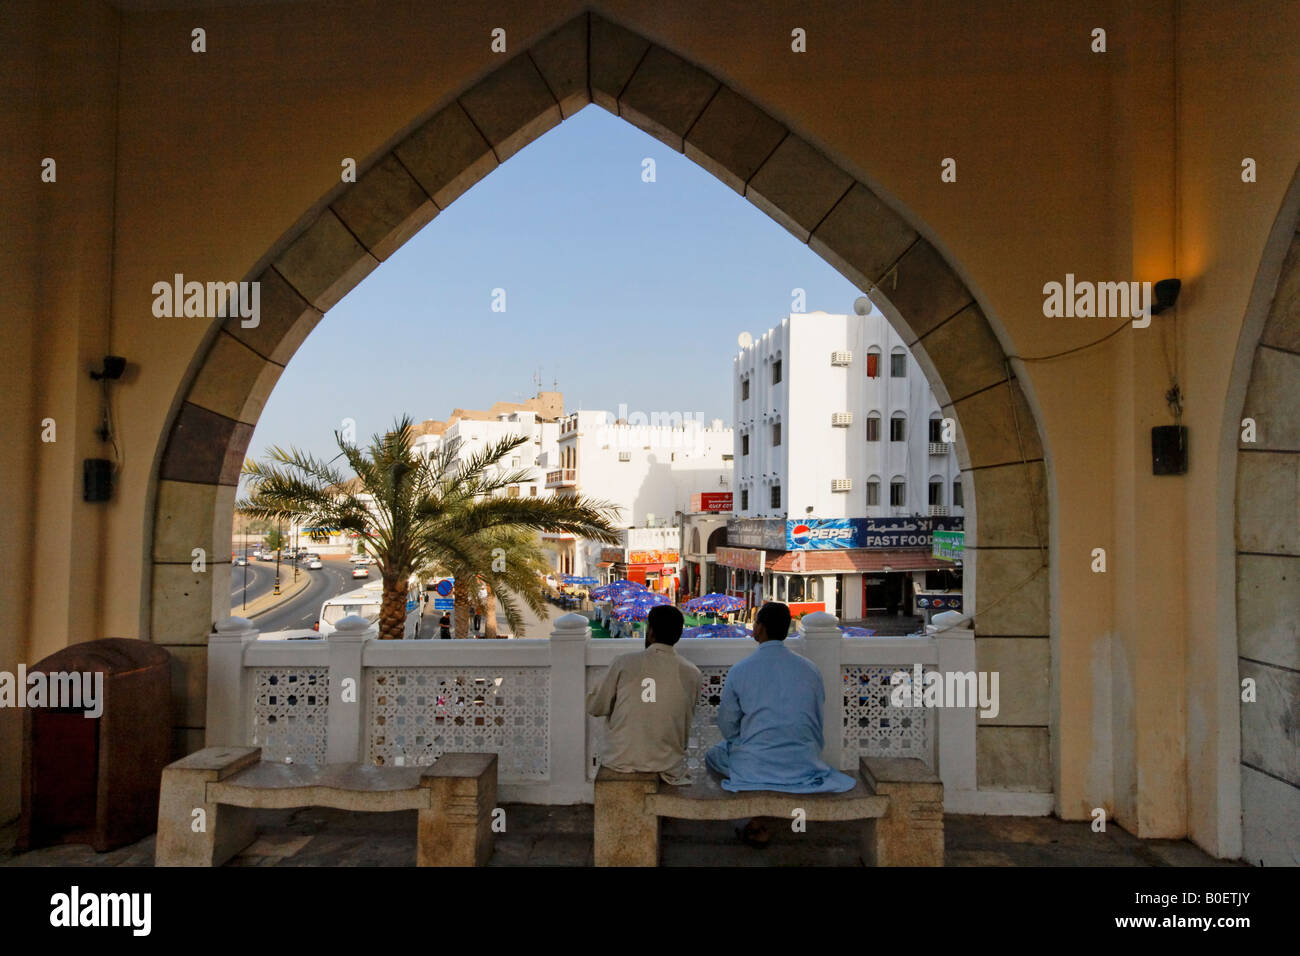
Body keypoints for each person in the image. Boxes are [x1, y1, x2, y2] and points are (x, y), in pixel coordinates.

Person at [706, 601, 856, 847]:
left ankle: (750, 821)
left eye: (755, 623)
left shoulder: (740, 671)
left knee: (714, 756)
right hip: (804, 762)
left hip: (754, 765)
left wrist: (744, 743)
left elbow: (728, 726)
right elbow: (816, 718)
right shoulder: (810, 670)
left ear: (760, 629)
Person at [585, 605, 703, 785]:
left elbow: (595, 707)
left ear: (650, 631)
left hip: (621, 760)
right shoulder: (692, 673)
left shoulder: (624, 663)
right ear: (678, 635)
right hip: (667, 763)